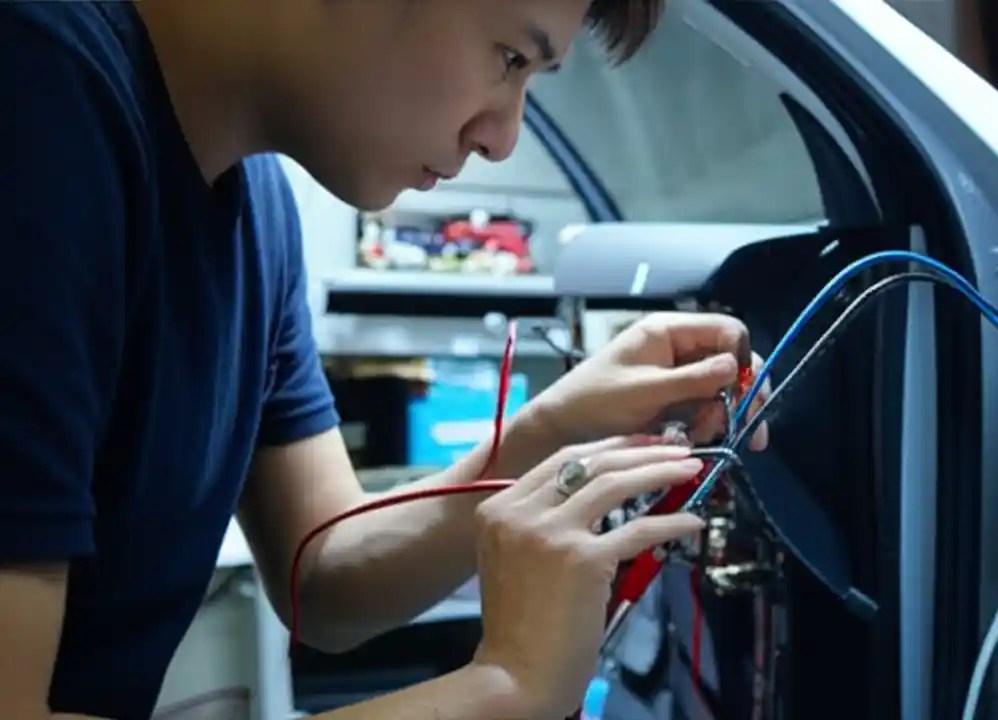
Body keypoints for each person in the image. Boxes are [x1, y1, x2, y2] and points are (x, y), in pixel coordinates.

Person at [0, 1, 771, 718]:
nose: (502, 138)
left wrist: (563, 424)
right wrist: (506, 688)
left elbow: (324, 576)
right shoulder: (36, 94)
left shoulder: (255, 206)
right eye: (509, 58)